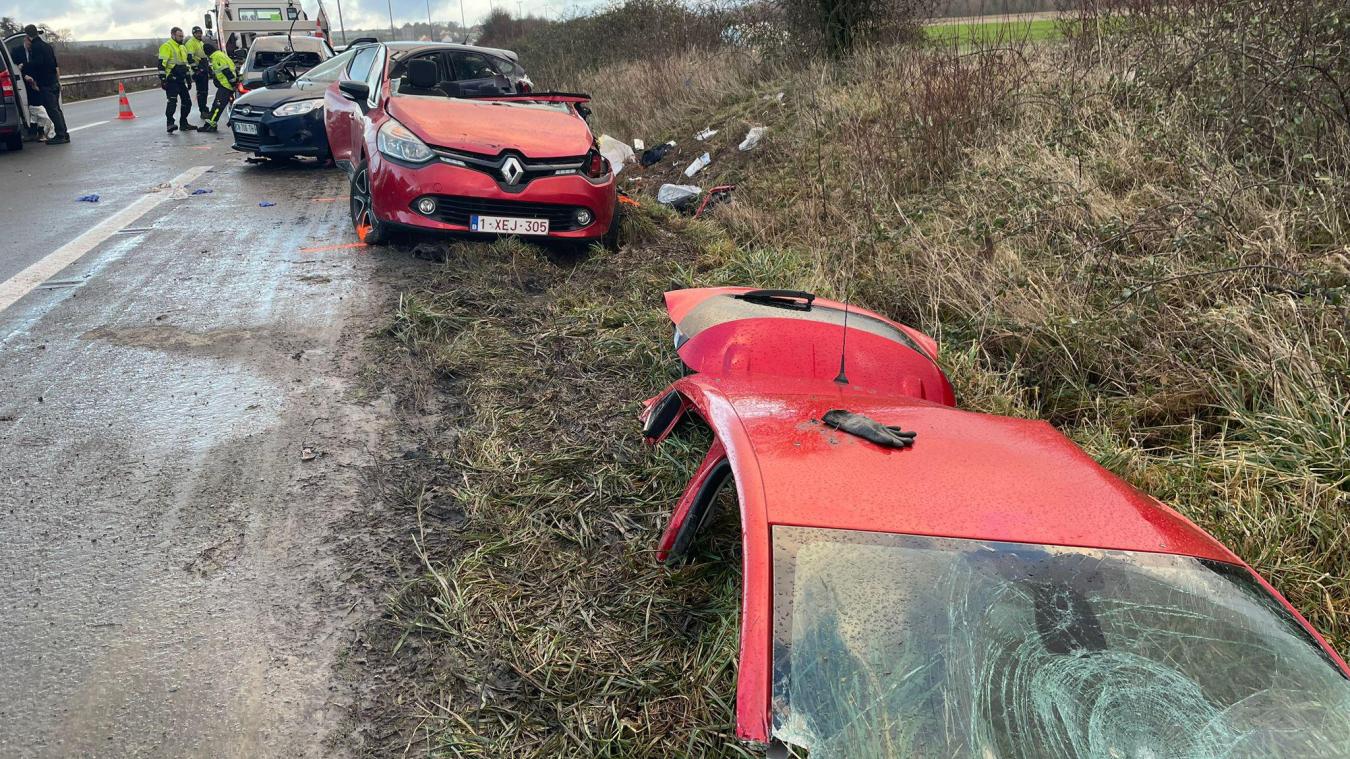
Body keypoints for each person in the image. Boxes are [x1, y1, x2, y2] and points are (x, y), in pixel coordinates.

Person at [19, 25, 69, 145]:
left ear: (28, 36)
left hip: (45, 83)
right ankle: (64, 134)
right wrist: (58, 81)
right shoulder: (47, 46)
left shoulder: (36, 47)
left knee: (52, 110)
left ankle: (61, 135)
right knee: (56, 109)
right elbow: (54, 64)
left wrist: (24, 66)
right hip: (53, 81)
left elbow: (38, 63)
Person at [158, 27, 197, 133]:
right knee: (172, 102)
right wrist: (163, 79)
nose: (181, 38)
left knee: (187, 102)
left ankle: (184, 123)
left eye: (182, 36)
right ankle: (170, 124)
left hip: (181, 79)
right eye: (179, 36)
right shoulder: (167, 46)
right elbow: (161, 64)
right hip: (171, 79)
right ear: (173, 35)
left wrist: (188, 79)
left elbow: (185, 65)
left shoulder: (182, 48)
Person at [199, 42, 238, 133]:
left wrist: (232, 83)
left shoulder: (216, 57)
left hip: (226, 85)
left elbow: (226, 70)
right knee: (221, 106)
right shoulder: (220, 54)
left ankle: (210, 125)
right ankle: (211, 124)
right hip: (227, 85)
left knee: (217, 106)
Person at [184, 26, 210, 120]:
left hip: (204, 68)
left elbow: (204, 56)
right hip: (198, 70)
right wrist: (196, 69)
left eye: (200, 32)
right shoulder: (191, 43)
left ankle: (205, 109)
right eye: (197, 33)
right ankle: (202, 111)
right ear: (193, 34)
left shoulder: (200, 42)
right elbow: (189, 57)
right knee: (201, 92)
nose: (199, 34)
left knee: (205, 91)